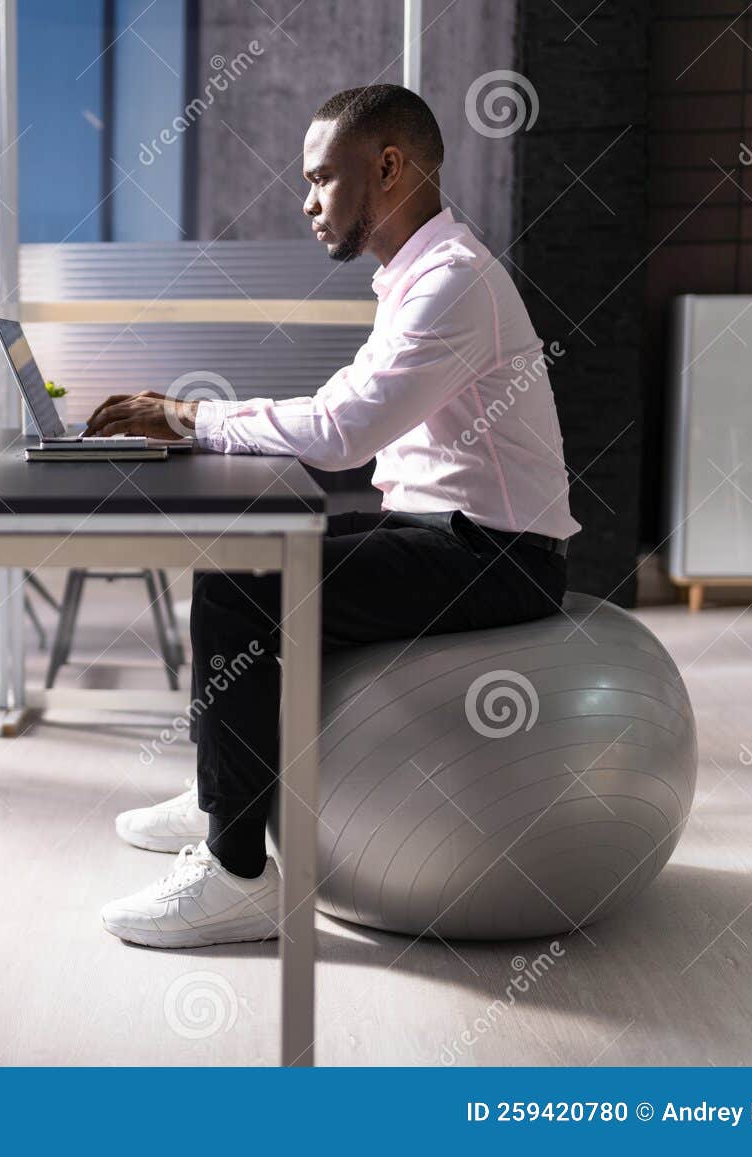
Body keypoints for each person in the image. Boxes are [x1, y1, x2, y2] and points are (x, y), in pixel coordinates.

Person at [84, 84, 580, 949]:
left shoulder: (452, 281)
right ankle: (221, 799)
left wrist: (189, 417)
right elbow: (338, 408)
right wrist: (194, 421)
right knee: (247, 549)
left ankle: (238, 874)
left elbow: (341, 433)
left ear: (387, 168)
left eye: (320, 179)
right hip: (439, 529)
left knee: (243, 579)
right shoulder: (415, 275)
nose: (307, 202)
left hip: (499, 556)